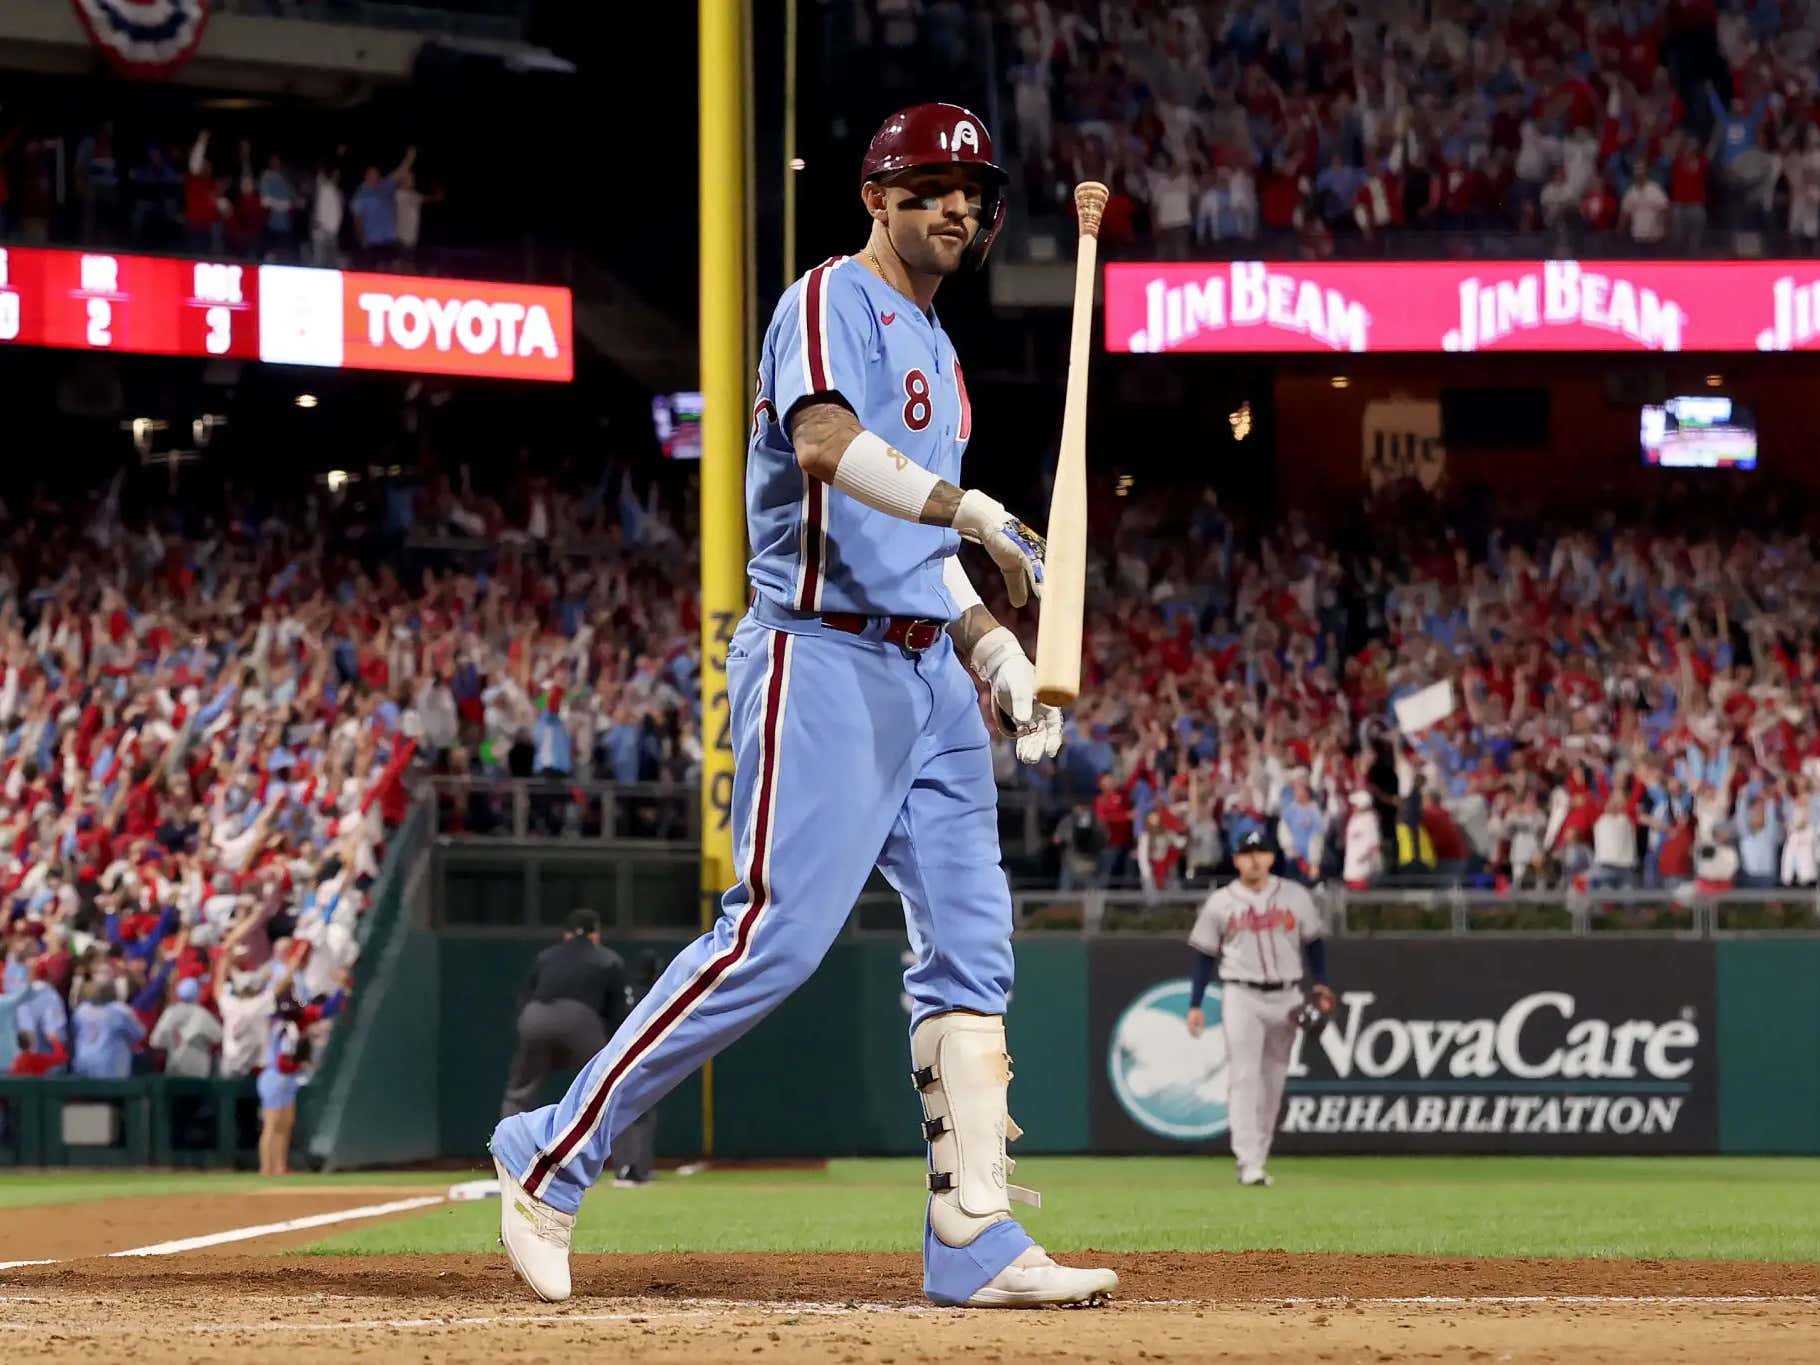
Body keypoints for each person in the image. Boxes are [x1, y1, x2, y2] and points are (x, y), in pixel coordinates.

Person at [490, 102, 1115, 1310]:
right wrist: (973, 510)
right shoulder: (832, 298)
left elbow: (921, 565)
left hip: (927, 674)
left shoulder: (936, 351)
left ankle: (972, 1235)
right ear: (876, 197)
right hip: (819, 656)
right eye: (929, 184)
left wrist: (995, 661)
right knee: (770, 937)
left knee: (973, 954)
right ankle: (549, 1156)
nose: (957, 205)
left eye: (972, 190)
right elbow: (827, 447)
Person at [1184, 829, 1330, 1188]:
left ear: (1270, 857)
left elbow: (1314, 944)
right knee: (1244, 1076)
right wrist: (1196, 1004)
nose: (1254, 859)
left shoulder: (1295, 895)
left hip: (1288, 993)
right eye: (1247, 852)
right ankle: (1248, 1159)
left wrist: (1322, 984)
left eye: (1260, 852)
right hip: (1241, 994)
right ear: (1236, 860)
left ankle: (1258, 1157)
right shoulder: (1221, 901)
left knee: (1273, 1079)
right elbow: (1204, 956)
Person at [499, 909, 630, 1118]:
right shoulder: (608, 959)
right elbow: (618, 1016)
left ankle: (508, 1148)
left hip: (535, 1017)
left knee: (520, 1092)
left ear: (566, 934)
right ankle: (600, 1148)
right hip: (580, 1020)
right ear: (595, 934)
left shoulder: (545, 957)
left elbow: (524, 1001)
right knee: (602, 1088)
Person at [610, 952, 664, 1187]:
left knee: (620, 1112)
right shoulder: (659, 991)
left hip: (618, 1055)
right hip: (644, 1058)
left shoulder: (627, 991)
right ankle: (637, 1170)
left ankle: (623, 1168)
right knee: (643, 1114)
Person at [257, 984, 309, 1176]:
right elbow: (282, 1062)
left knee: (285, 1123)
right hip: (275, 1076)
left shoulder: (287, 1027)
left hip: (286, 1078)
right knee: (271, 1124)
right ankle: (266, 1167)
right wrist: (301, 1065)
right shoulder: (281, 1028)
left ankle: (279, 1166)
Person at [71, 980, 145, 1079]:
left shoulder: (81, 1010)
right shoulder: (120, 1010)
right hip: (110, 1068)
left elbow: (74, 1033)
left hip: (83, 1064)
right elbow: (139, 1033)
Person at [150, 976, 223, 1077]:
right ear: (198, 993)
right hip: (197, 1069)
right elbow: (219, 1037)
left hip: (174, 1067)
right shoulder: (202, 1014)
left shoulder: (170, 1012)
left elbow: (156, 1041)